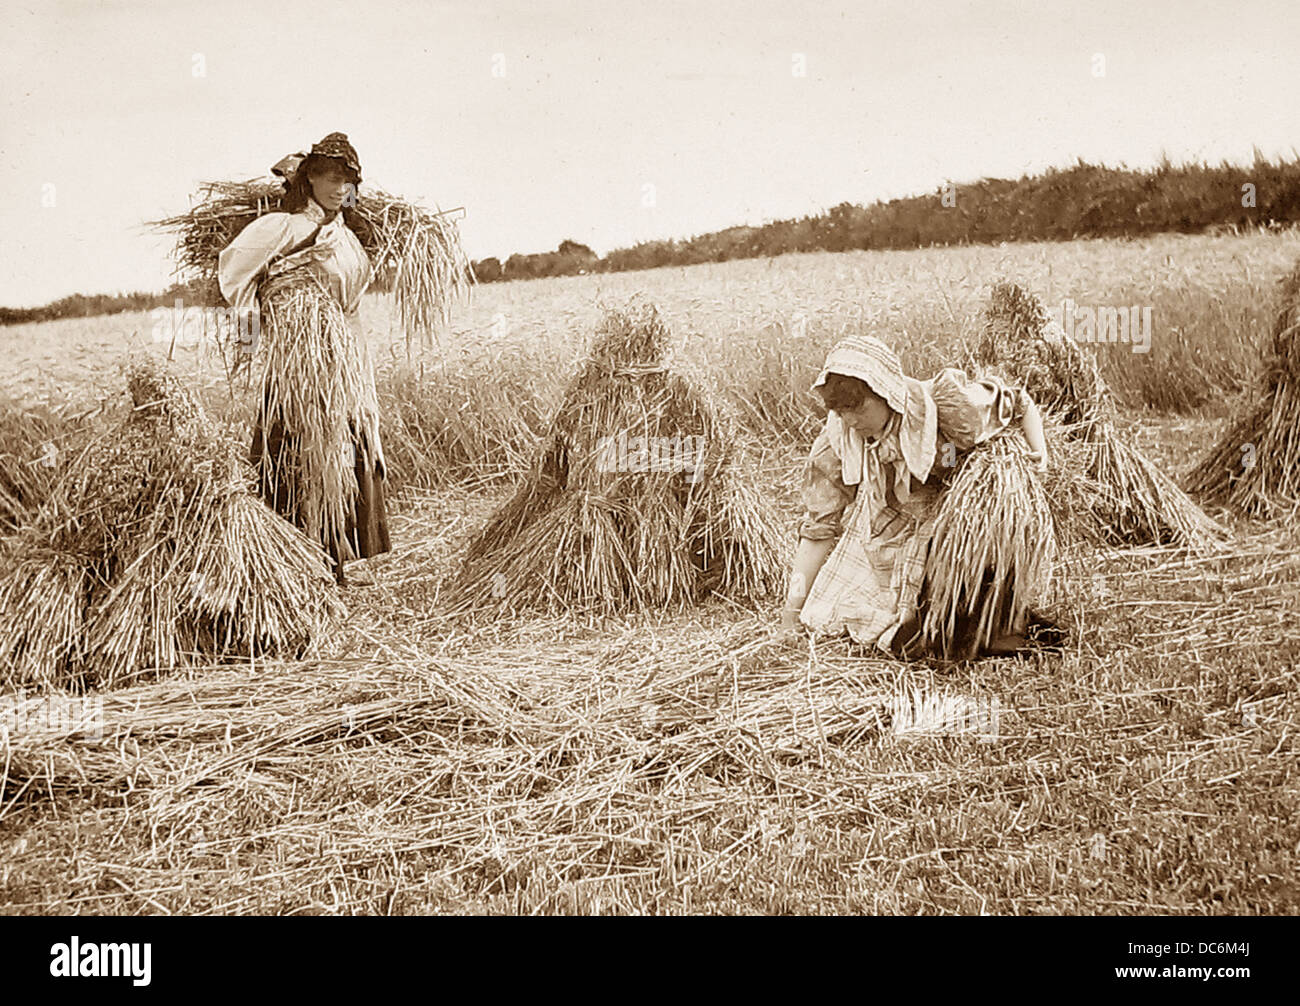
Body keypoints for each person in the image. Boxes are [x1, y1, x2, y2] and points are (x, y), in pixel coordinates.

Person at [781, 335, 1050, 657]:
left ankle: (986, 613)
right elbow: (817, 530)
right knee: (852, 621)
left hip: (954, 519)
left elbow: (1020, 403)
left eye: (859, 407)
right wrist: (790, 615)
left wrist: (1040, 456)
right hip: (888, 523)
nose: (851, 421)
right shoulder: (839, 441)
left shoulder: (946, 408)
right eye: (841, 412)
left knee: (944, 628)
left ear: (887, 394)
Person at [218, 131, 390, 585]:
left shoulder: (348, 238)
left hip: (346, 361)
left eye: (347, 179)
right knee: (301, 456)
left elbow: (350, 300)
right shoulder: (282, 228)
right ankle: (297, 564)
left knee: (347, 452)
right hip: (300, 365)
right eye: (329, 177)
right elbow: (237, 279)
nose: (338, 188)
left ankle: (335, 562)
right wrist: (254, 336)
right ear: (308, 179)